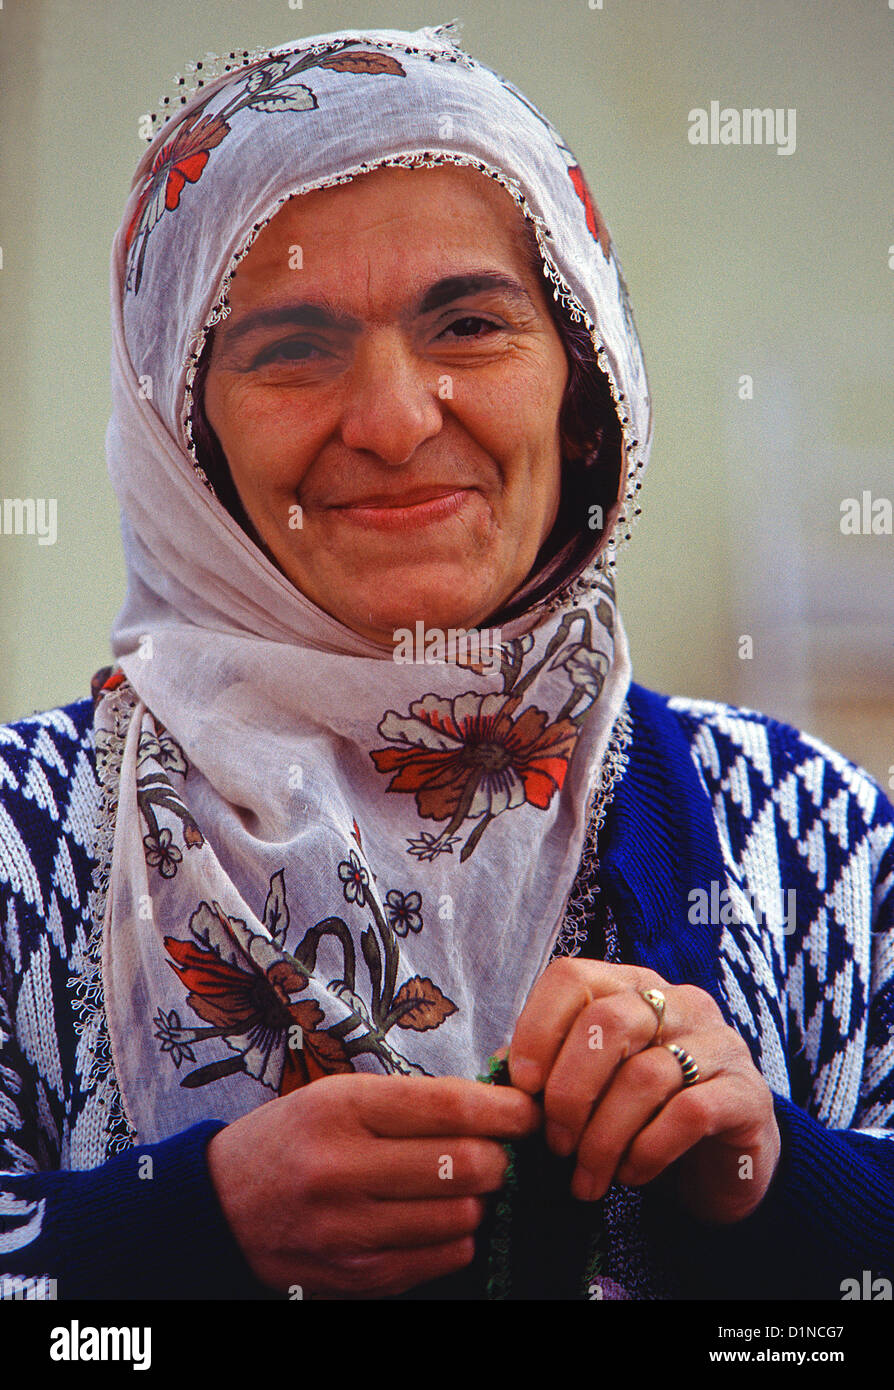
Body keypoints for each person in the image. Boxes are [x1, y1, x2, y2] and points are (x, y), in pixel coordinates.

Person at [0, 22, 891, 1303]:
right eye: (292, 347)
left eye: (469, 323)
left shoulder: (810, 836)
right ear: (181, 435)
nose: (395, 418)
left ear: (585, 386)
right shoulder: (25, 848)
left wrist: (771, 1174)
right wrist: (184, 1228)